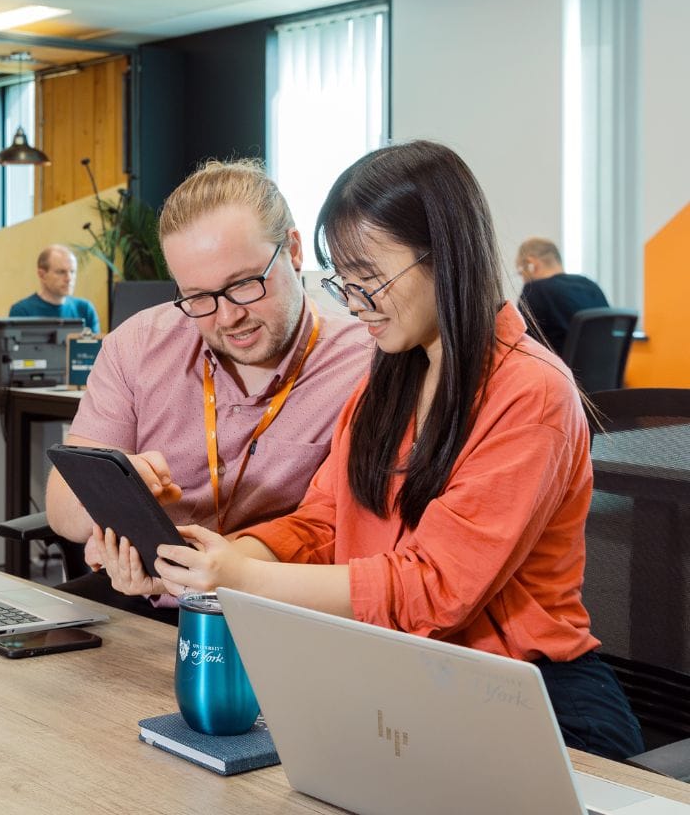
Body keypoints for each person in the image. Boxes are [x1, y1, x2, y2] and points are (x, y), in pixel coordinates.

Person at [102, 141, 643, 762]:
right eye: (344, 283)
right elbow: (322, 523)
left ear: (446, 256)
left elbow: (436, 590)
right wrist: (212, 559)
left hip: (530, 696)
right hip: (400, 677)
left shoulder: (531, 392)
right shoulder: (390, 377)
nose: (354, 304)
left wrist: (242, 577)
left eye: (370, 282)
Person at [45, 159, 374, 623]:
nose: (226, 318)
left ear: (294, 250)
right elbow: (63, 510)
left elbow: (359, 542)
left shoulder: (367, 364)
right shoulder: (139, 344)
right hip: (143, 595)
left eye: (244, 285)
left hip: (280, 613)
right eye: (197, 297)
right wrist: (116, 490)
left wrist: (204, 570)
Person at [516, 237, 608, 356]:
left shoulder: (535, 290)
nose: (522, 278)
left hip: (559, 372)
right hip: (605, 371)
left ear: (531, 264)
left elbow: (521, 342)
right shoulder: (590, 285)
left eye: (520, 271)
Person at [10, 244, 100, 332]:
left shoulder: (85, 309)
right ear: (42, 275)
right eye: (61, 272)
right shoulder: (22, 312)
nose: (69, 278)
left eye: (72, 272)